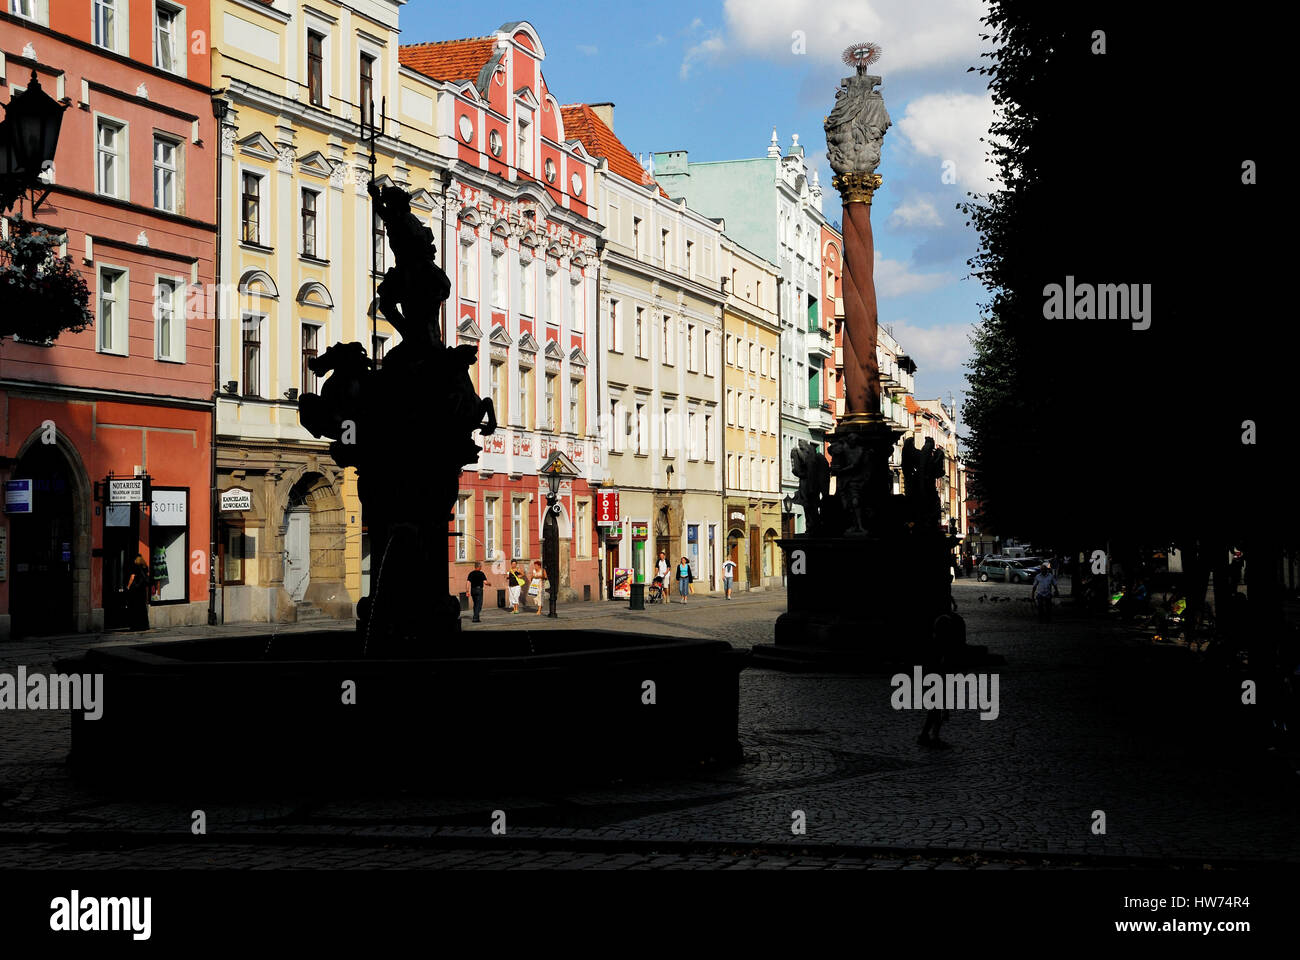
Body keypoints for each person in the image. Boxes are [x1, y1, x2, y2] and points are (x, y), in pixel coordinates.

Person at [126, 553, 151, 631]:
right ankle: (144, 626)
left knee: (135, 608)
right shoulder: (145, 567)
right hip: (142, 590)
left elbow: (132, 577)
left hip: (135, 590)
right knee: (142, 608)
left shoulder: (135, 566)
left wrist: (128, 586)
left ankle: (135, 626)